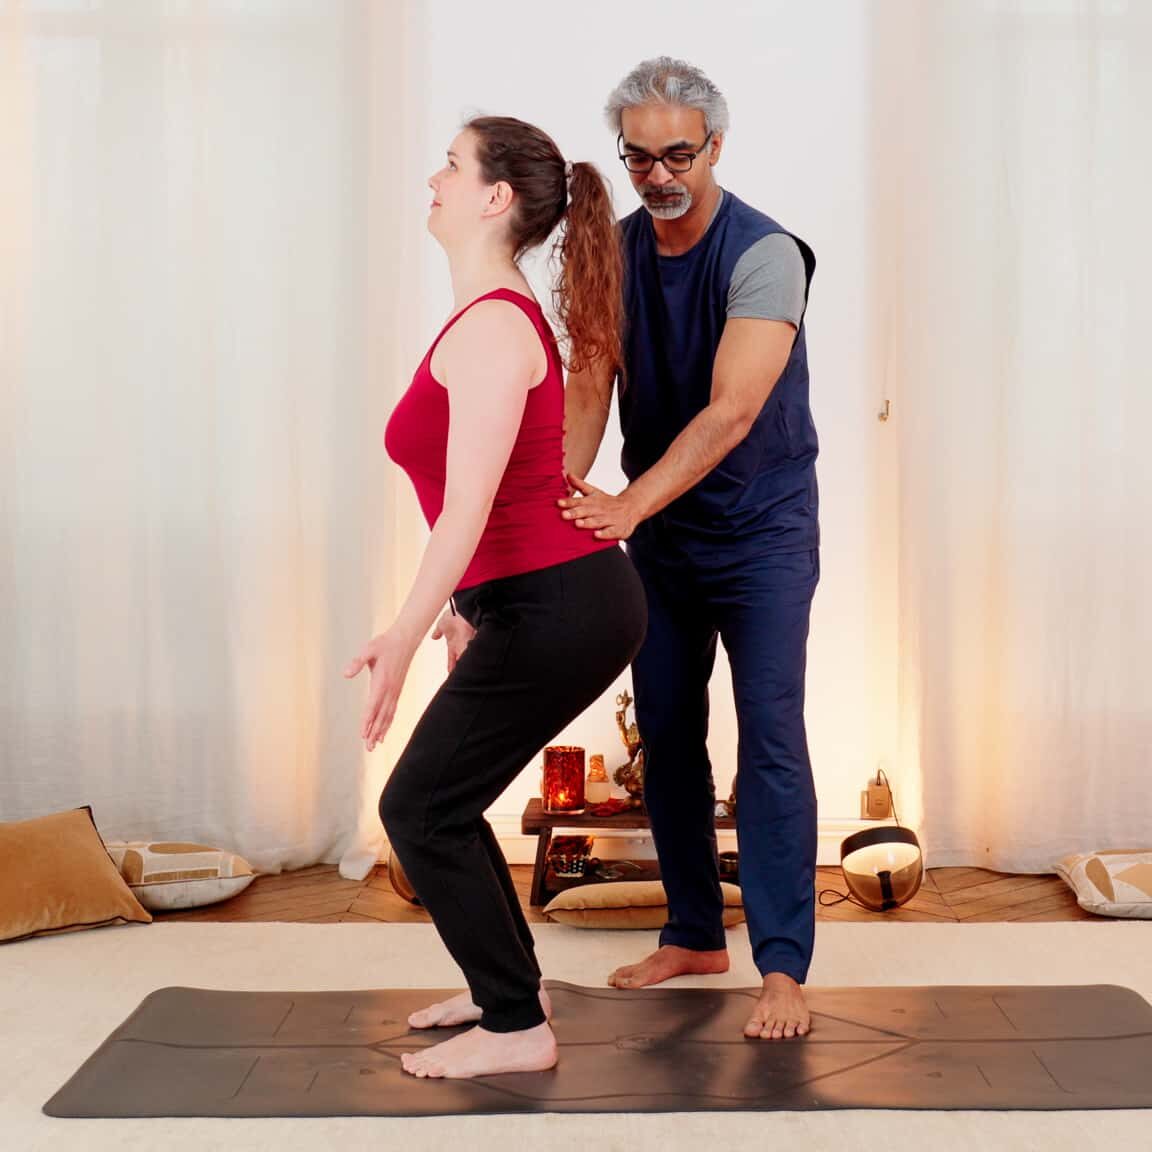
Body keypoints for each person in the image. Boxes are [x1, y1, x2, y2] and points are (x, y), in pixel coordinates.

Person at [343, 115, 646, 1080]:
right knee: (447, 800)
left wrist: (403, 630)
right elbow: (493, 496)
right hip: (536, 599)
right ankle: (500, 989)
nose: (432, 178)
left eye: (451, 164)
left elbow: (467, 510)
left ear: (494, 197)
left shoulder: (491, 330)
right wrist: (467, 610)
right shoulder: (489, 315)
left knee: (419, 807)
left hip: (562, 603)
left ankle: (517, 1026)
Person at [561, 57, 820, 1041]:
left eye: (678, 152)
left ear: (716, 146)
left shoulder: (766, 254)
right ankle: (695, 932)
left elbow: (733, 410)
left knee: (771, 737)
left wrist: (626, 505)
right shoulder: (611, 255)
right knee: (666, 729)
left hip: (761, 533)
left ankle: (783, 966)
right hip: (661, 537)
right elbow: (589, 388)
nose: (658, 172)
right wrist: (559, 503)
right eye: (638, 155)